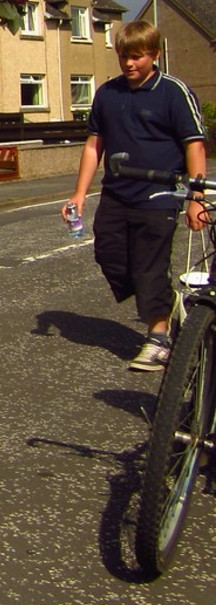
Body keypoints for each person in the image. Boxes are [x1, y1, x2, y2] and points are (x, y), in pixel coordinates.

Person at [63, 20, 206, 372]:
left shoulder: (174, 92)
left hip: (159, 195)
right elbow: (95, 144)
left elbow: (195, 144)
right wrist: (80, 194)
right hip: (116, 194)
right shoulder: (108, 94)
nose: (129, 64)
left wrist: (196, 196)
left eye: (137, 57)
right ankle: (164, 299)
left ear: (154, 55)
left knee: (149, 268)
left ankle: (158, 338)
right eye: (124, 56)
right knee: (108, 255)